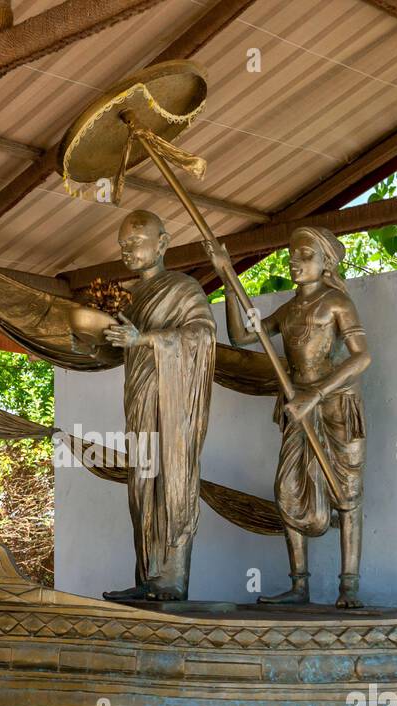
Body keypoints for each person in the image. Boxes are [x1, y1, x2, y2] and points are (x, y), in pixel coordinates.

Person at [209, 225, 371, 608]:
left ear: (325, 262)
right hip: (297, 407)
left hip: (335, 406)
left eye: (306, 255)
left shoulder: (337, 304)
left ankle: (348, 586)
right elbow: (242, 336)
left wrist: (316, 394)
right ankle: (300, 585)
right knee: (288, 490)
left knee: (346, 494)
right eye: (292, 255)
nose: (295, 262)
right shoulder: (289, 310)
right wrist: (227, 279)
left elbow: (362, 356)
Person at [101, 209, 216, 602]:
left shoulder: (184, 289)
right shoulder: (129, 298)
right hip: (139, 400)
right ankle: (148, 575)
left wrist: (146, 340)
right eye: (122, 246)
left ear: (162, 243)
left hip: (173, 404)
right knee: (141, 485)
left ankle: (172, 579)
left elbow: (202, 336)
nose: (127, 251)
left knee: (172, 480)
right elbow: (114, 346)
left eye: (134, 242)